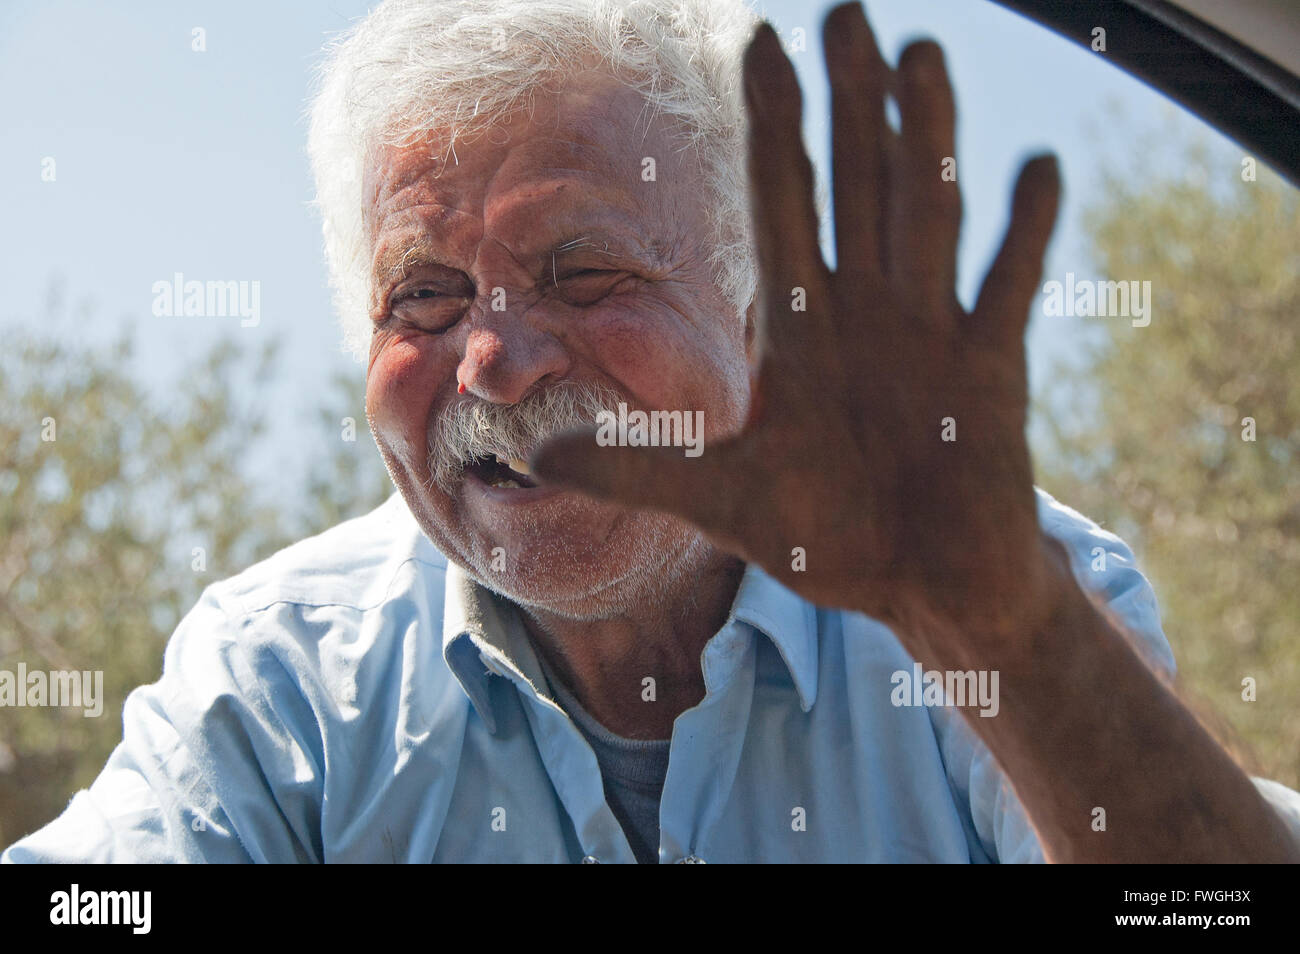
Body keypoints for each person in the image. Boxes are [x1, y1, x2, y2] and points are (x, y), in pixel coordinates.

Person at [6, 0, 1299, 863]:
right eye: (427, 298)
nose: (498, 366)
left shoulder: (998, 598)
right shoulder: (282, 678)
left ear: (755, 314)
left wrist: (1009, 633)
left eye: (585, 273)